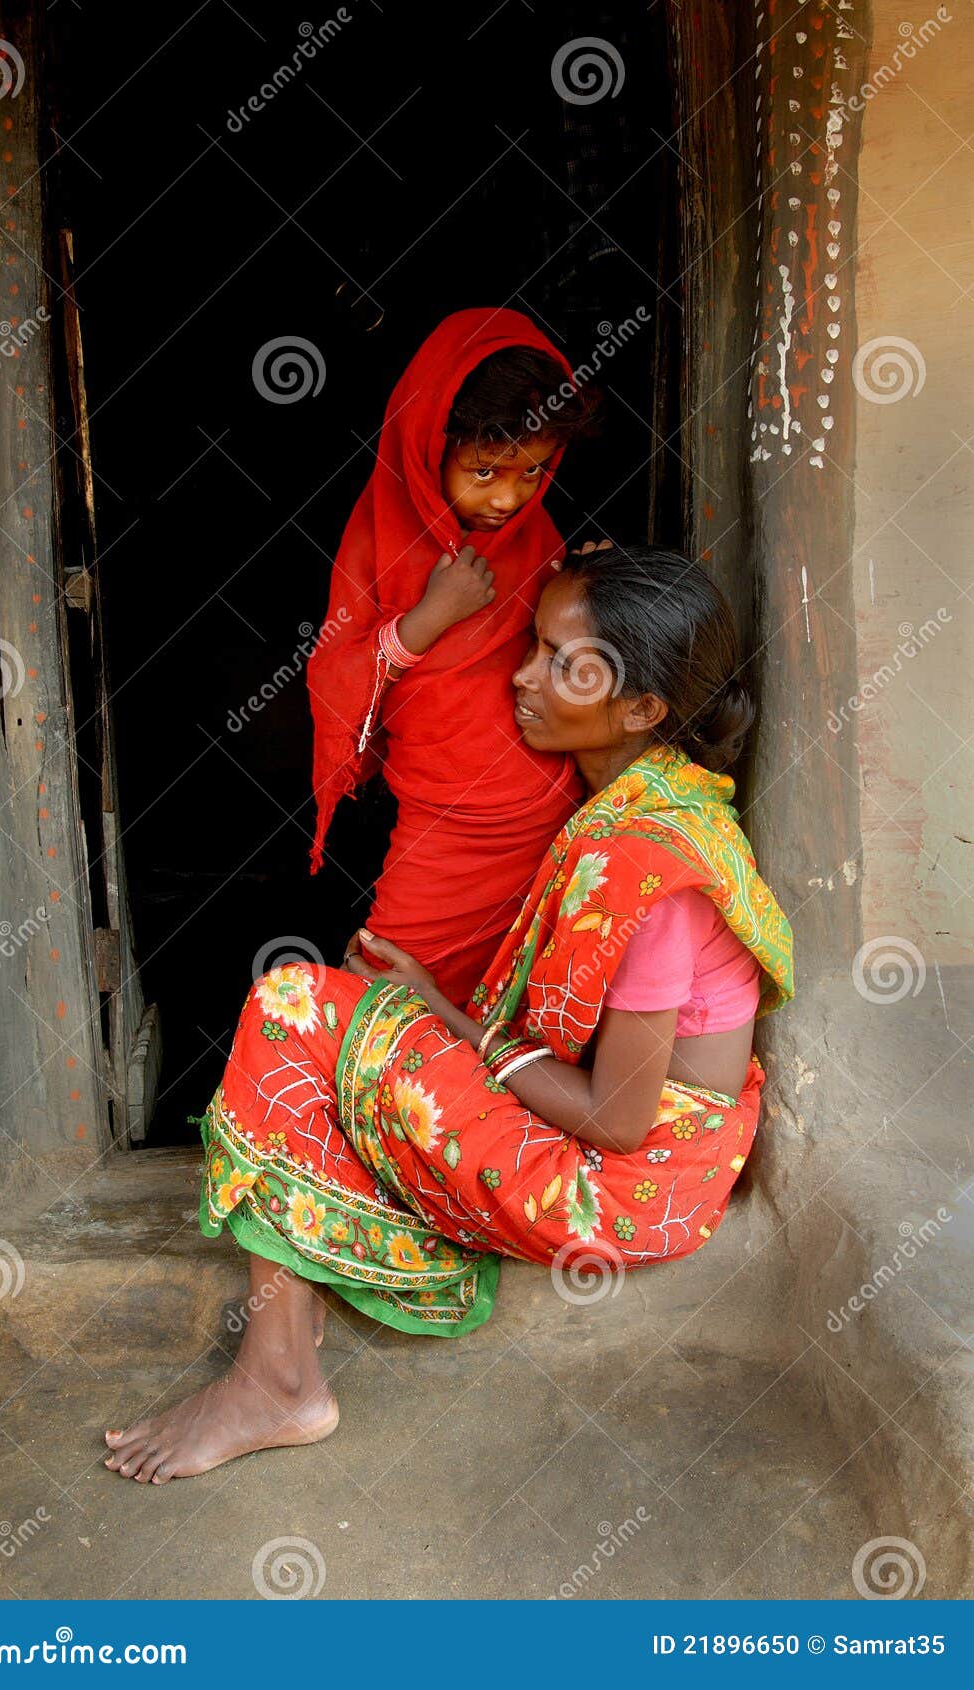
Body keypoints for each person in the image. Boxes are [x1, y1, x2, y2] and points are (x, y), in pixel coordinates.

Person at [104, 546, 793, 1484]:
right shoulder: (639, 809)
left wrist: (464, 1032)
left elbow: (619, 1122)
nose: (522, 675)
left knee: (292, 1004)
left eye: (564, 663)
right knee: (328, 1012)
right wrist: (436, 1008)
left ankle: (277, 1380)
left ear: (640, 711)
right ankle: (287, 1312)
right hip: (623, 1154)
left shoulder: (651, 871)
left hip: (624, 1190)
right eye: (535, 646)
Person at [308, 307, 598, 1006]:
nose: (509, 498)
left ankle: (464, 1116)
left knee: (518, 1000)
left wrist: (595, 589)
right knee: (383, 988)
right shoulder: (381, 537)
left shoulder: (537, 535)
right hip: (444, 827)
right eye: (485, 471)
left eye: (533, 473)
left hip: (550, 814)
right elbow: (333, 677)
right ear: (427, 444)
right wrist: (428, 619)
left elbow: (581, 657)